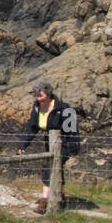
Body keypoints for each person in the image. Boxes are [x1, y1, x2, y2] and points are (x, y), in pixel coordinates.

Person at [18, 79, 79, 214]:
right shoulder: (37, 108)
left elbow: (72, 129)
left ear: (49, 94)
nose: (38, 98)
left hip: (64, 143)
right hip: (49, 142)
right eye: (36, 96)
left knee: (50, 169)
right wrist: (23, 144)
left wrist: (73, 149)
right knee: (56, 169)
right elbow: (31, 127)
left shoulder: (64, 108)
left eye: (41, 95)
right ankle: (59, 197)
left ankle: (44, 201)